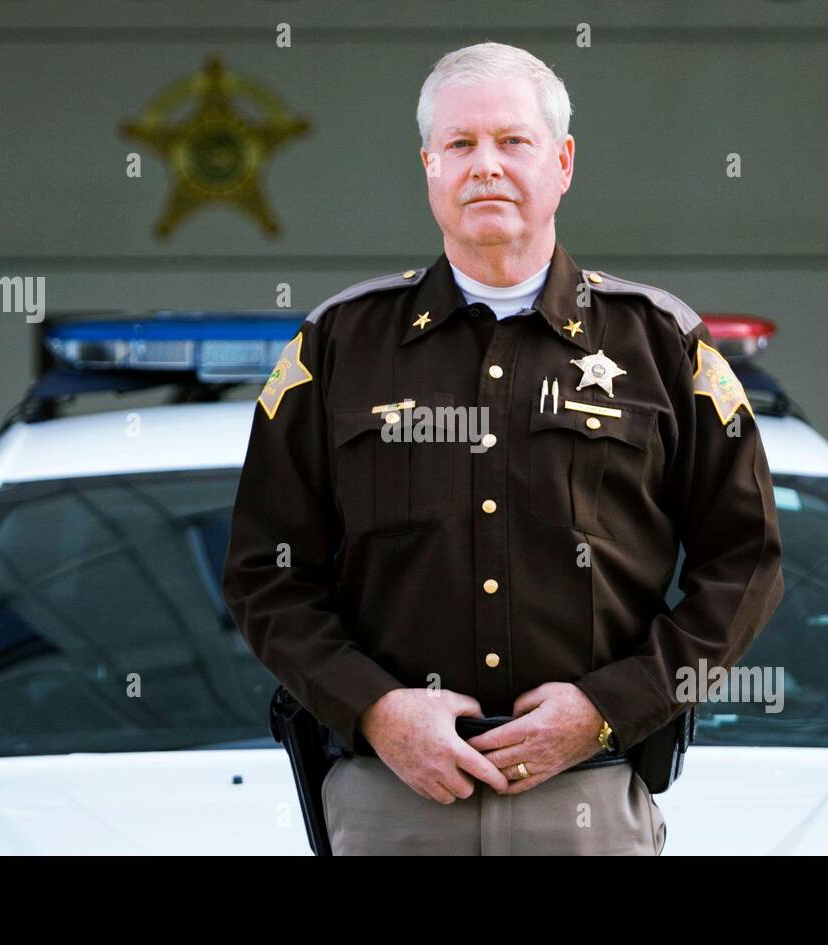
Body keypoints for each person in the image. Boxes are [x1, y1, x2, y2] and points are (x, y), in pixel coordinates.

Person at [220, 41, 784, 855]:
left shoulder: (661, 343)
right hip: (392, 802)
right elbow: (264, 570)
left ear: (562, 162)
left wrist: (609, 708)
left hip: (587, 798)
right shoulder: (340, 344)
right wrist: (376, 709)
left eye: (512, 141)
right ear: (429, 167)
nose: (485, 165)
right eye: (460, 144)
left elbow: (748, 558)